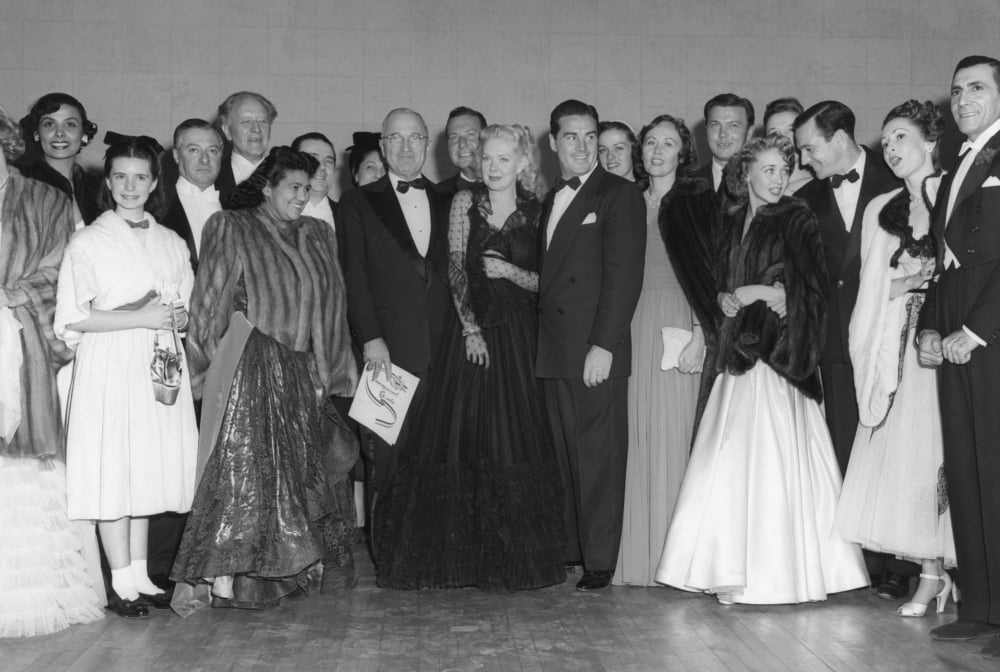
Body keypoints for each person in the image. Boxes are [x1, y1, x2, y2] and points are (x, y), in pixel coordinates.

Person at [655, 134, 869, 605]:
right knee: (726, 465)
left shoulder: (797, 216)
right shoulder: (731, 219)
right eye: (768, 169)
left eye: (782, 168)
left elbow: (810, 293)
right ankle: (724, 567)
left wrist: (755, 293)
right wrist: (725, 297)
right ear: (745, 173)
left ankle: (775, 573)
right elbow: (722, 284)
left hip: (776, 360)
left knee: (770, 465)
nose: (777, 178)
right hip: (737, 358)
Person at [374, 124, 566, 591]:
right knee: (462, 438)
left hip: (520, 338)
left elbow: (549, 283)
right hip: (469, 337)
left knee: (514, 441)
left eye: (504, 159)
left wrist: (508, 271)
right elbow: (455, 267)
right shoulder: (465, 203)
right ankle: (456, 559)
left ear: (523, 163)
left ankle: (507, 560)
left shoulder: (539, 212)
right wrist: (471, 328)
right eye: (488, 159)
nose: (494, 167)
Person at [170, 147, 359, 610]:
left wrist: (334, 367)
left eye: (308, 187)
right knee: (247, 479)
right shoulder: (231, 226)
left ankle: (292, 573)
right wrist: (201, 370)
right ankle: (230, 579)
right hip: (252, 366)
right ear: (267, 187)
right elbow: (209, 301)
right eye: (293, 187)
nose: (302, 195)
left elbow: (335, 306)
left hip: (304, 371)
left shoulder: (318, 233)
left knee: (300, 478)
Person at [55, 135, 198, 618]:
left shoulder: (171, 241)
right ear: (108, 182)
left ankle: (139, 576)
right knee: (115, 466)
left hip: (158, 365)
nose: (130, 187)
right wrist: (143, 317)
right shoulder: (90, 240)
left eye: (140, 177)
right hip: (110, 361)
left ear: (155, 182)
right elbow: (74, 318)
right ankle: (119, 582)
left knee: (144, 467)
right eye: (120, 177)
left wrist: (175, 320)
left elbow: (184, 308)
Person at [835, 100, 956, 618]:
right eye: (885, 141)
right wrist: (904, 282)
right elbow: (869, 290)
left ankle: (961, 571)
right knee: (910, 459)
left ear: (930, 142)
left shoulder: (957, 192)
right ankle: (930, 576)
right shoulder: (879, 208)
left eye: (901, 137)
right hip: (895, 349)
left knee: (947, 459)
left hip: (943, 341)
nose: (891, 148)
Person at [794, 100, 911, 600]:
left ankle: (899, 566)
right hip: (834, 345)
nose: (805, 160)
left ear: (839, 138)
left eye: (809, 148)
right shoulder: (806, 198)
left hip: (888, 339)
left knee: (894, 450)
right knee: (847, 449)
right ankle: (863, 565)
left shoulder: (899, 177)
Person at [0, 104, 104, 637]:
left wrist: (11, 297)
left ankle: (23, 599)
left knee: (23, 471)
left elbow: (62, 272)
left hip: (23, 348)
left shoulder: (44, 199)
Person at [537, 99, 646, 591]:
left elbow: (624, 278)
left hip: (594, 350)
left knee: (599, 457)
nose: (582, 146)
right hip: (555, 349)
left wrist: (604, 345)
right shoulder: (550, 198)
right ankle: (569, 548)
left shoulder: (619, 194)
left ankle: (600, 559)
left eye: (589, 137)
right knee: (562, 456)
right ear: (554, 143)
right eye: (572, 137)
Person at [917, 55, 1000, 658]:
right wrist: (929, 326)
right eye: (956, 90)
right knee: (967, 473)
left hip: (990, 336)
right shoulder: (952, 173)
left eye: (978, 87)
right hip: (954, 338)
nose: (963, 98)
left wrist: (976, 330)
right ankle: (981, 607)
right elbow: (944, 269)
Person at [339, 109, 454, 511]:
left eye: (415, 138)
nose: (406, 147)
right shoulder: (357, 202)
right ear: (383, 146)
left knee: (440, 457)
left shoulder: (450, 198)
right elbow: (354, 277)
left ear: (427, 143)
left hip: (446, 351)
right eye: (396, 138)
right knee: (386, 458)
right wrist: (371, 340)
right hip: (386, 352)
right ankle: (389, 557)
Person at [614, 114, 702, 587]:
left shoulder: (695, 202)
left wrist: (701, 333)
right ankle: (636, 556)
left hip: (676, 322)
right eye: (651, 142)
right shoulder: (626, 200)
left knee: (671, 435)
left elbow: (709, 274)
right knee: (633, 439)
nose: (658, 150)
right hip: (631, 322)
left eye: (669, 143)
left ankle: (675, 561)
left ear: (682, 152)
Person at [16, 92, 101, 228]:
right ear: (37, 134)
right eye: (49, 124)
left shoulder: (98, 187)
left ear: (84, 134)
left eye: (70, 124)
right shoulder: (19, 181)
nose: (59, 133)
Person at [160, 118, 224, 274]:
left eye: (212, 151)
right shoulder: (158, 208)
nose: (204, 159)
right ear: (176, 155)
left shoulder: (239, 207)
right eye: (194, 150)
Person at [215, 91, 277, 201]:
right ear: (227, 131)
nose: (256, 129)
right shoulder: (211, 177)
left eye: (263, 121)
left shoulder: (287, 176)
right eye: (246, 121)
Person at [693, 93, 754, 195]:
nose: (722, 134)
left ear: (749, 132)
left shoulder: (764, 181)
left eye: (733, 125)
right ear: (706, 130)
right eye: (715, 125)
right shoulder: (687, 185)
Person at [762, 97, 812, 193]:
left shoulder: (824, 184)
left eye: (790, 130)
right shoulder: (757, 188)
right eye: (774, 132)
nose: (783, 137)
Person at [292, 132, 338, 231]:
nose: (322, 167)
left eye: (328, 161)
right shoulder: (276, 214)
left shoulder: (347, 214)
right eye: (313, 159)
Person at [439, 106, 486, 194]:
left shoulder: (511, 188)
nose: (462, 144)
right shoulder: (438, 194)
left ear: (485, 139)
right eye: (454, 137)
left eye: (470, 135)